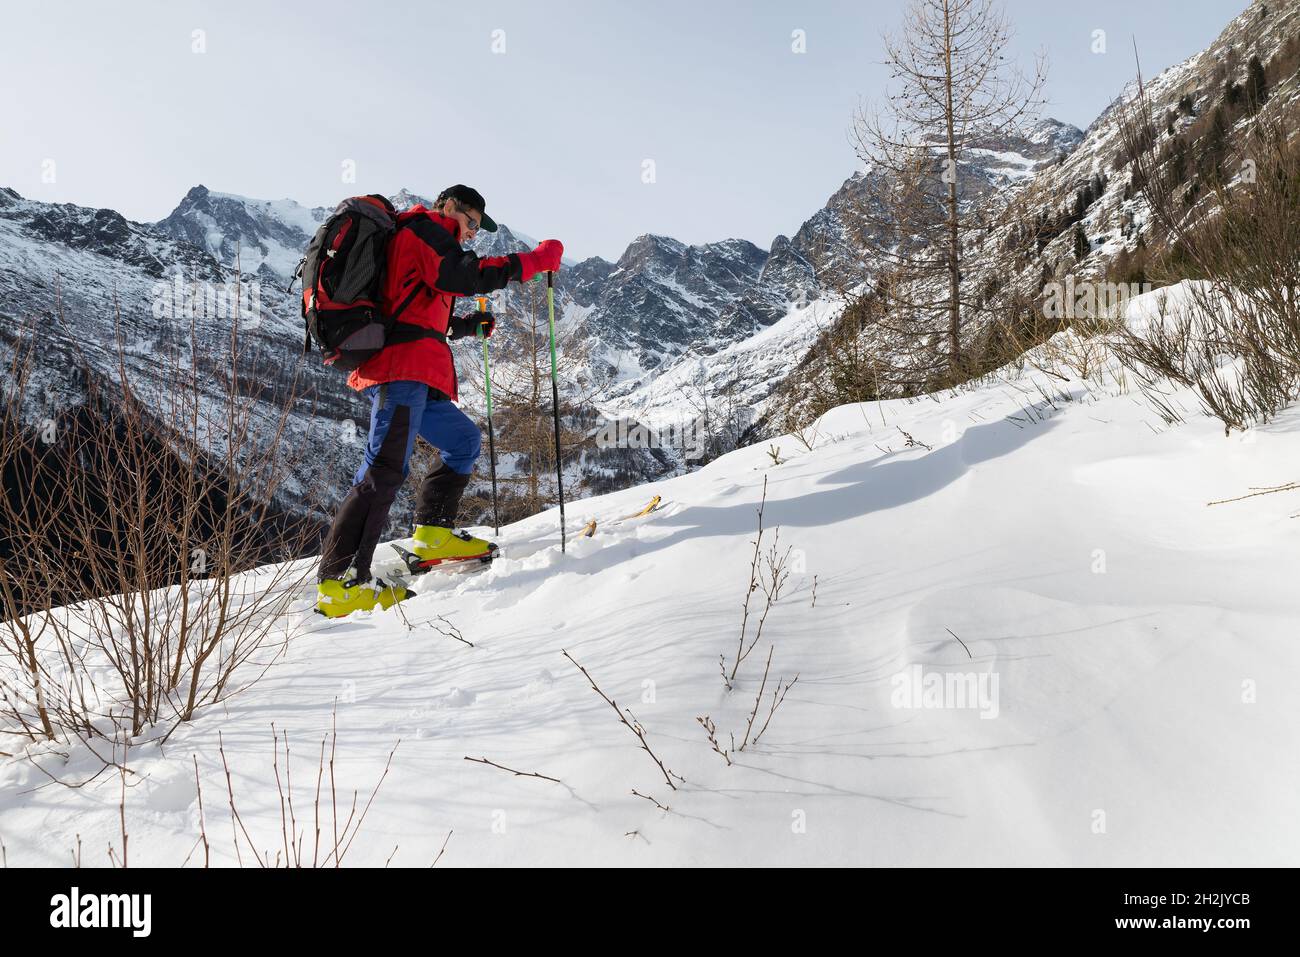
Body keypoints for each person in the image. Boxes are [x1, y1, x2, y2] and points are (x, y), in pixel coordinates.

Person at [315, 185, 563, 617]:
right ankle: (339, 585)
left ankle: (432, 534)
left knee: (463, 440)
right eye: (470, 223)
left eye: (475, 230)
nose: (470, 234)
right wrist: (536, 262)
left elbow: (419, 312)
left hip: (417, 371)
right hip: (401, 371)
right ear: (449, 206)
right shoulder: (427, 230)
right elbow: (468, 276)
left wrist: (469, 328)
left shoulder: (426, 241)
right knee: (383, 470)